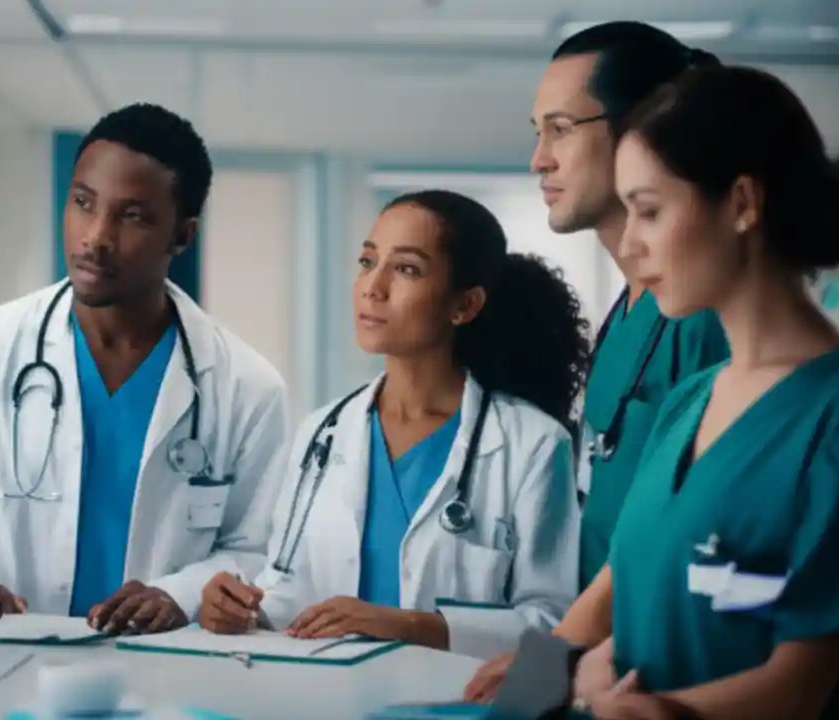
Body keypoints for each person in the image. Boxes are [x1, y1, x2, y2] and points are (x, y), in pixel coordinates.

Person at [488, 66, 839, 717]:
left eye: (650, 211)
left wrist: (653, 711)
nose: (631, 244)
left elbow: (798, 689)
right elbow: (646, 588)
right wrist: (550, 678)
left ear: (741, 204)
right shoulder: (690, 403)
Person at [0, 103, 291, 631]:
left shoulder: (248, 388)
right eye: (83, 203)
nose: (96, 236)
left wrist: (178, 595)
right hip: (11, 652)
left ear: (182, 235)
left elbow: (255, 547)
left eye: (132, 216)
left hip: (170, 660)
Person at [195, 189, 590, 659]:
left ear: (464, 305)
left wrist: (410, 626)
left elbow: (552, 621)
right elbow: (291, 593)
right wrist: (241, 608)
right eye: (367, 262)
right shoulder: (322, 432)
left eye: (406, 269)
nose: (373, 286)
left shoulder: (532, 444)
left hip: (457, 696)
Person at [529, 21, 730, 592]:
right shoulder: (624, 317)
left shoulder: (706, 320)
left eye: (561, 130)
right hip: (600, 636)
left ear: (644, 131)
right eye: (538, 133)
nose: (539, 160)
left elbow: (709, 536)